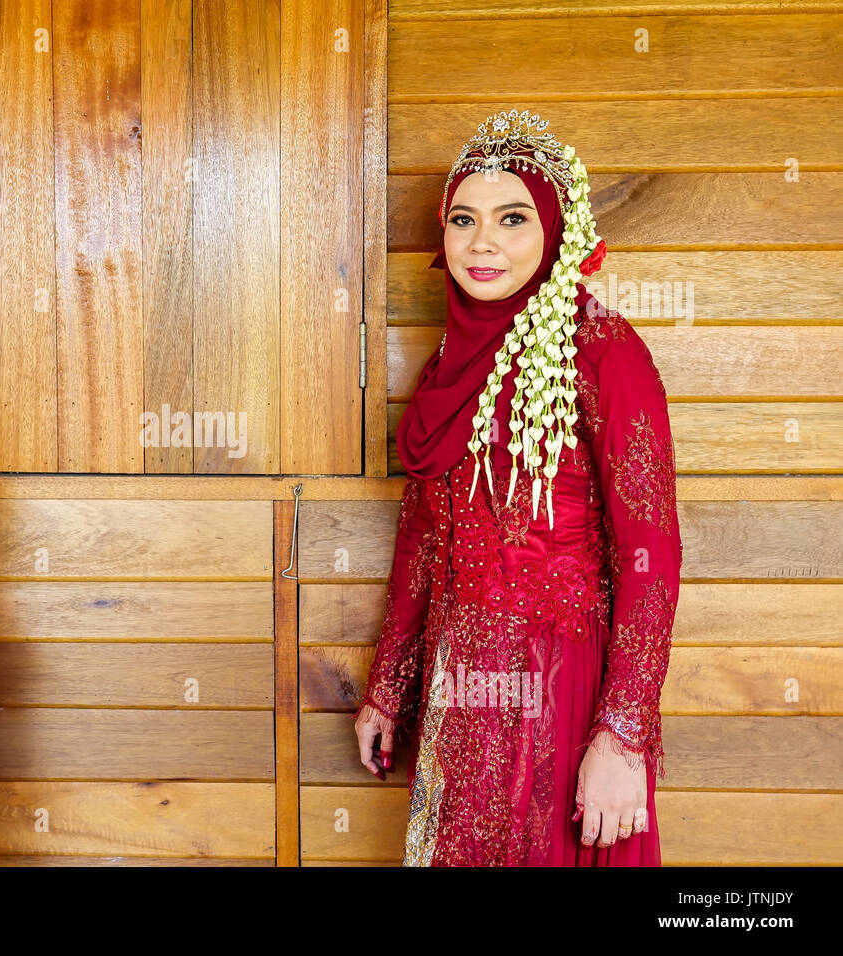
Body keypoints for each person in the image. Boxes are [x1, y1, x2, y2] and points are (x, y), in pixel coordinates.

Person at [352, 109, 682, 865]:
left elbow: (651, 555)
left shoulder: (603, 352)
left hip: (560, 692)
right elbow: (424, 539)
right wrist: (388, 686)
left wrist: (623, 736)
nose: (482, 242)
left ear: (558, 233)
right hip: (458, 687)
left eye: (512, 218)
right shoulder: (450, 366)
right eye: (464, 219)